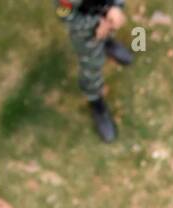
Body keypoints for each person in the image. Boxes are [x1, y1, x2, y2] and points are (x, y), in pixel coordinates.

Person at [54, 0, 133, 142]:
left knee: (109, 28)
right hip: (87, 33)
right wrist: (98, 23)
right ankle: (95, 100)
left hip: (105, 14)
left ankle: (108, 43)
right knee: (91, 66)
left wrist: (115, 8)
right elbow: (68, 18)